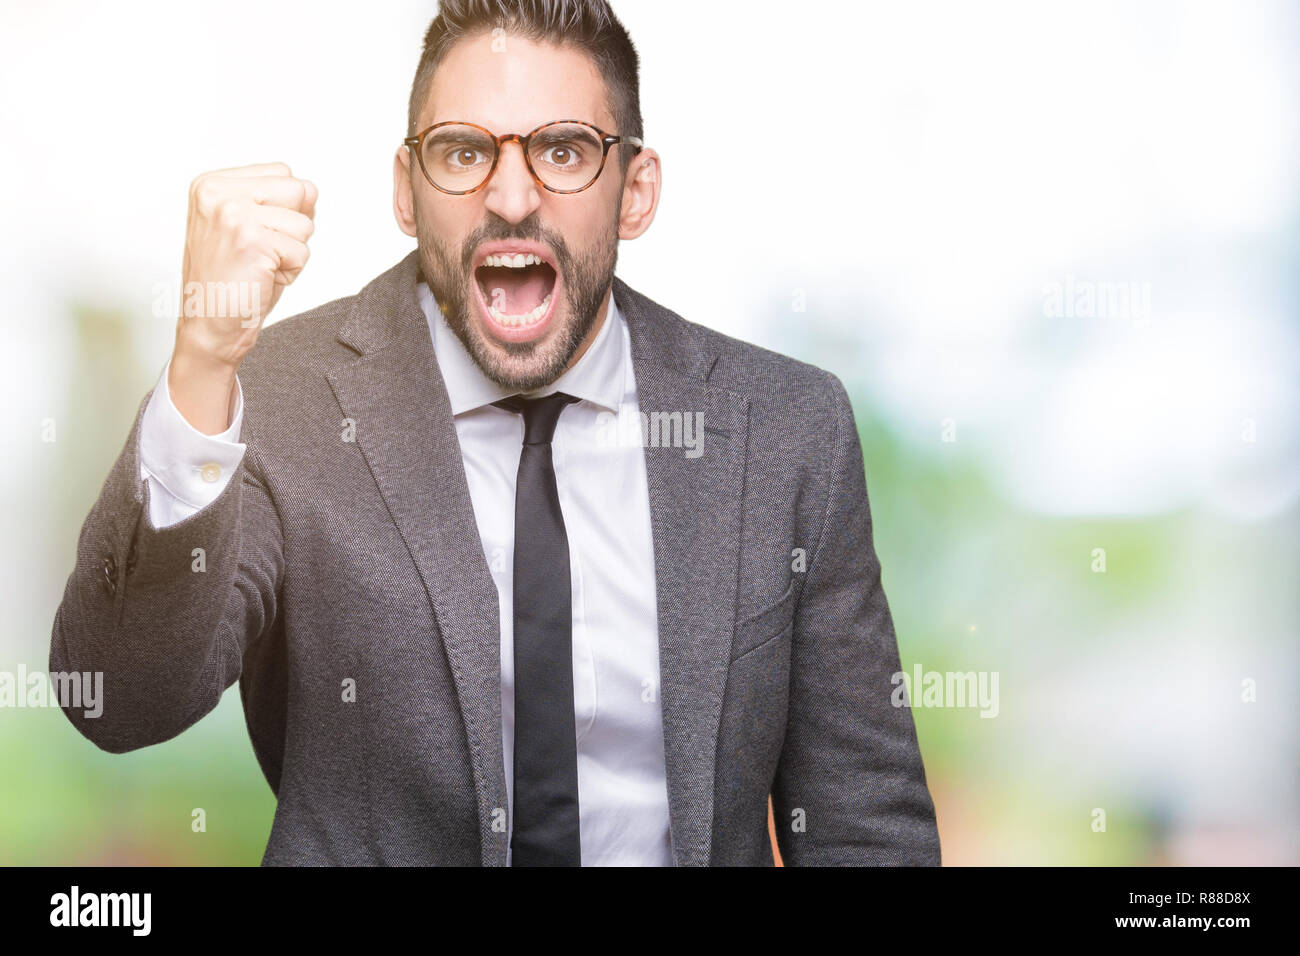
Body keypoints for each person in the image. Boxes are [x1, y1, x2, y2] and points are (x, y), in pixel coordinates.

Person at [50, 0, 941, 867]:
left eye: (563, 150)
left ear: (636, 192)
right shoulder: (278, 401)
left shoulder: (783, 430)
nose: (511, 197)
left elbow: (866, 825)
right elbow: (123, 701)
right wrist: (203, 365)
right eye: (464, 151)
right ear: (407, 191)